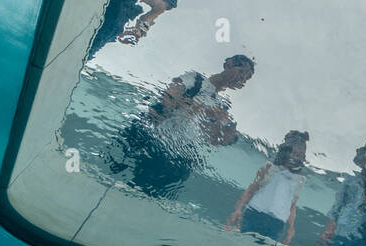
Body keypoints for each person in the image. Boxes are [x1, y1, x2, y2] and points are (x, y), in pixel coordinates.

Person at [107, 54, 255, 199]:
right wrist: (198, 108)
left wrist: (228, 133)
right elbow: (168, 98)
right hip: (152, 139)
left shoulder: (222, 105)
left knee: (150, 198)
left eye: (246, 78)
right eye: (241, 72)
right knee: (119, 183)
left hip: (176, 157)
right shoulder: (195, 79)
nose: (242, 79)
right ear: (228, 64)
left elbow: (212, 139)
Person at [226, 130, 309, 244]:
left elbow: (292, 205)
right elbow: (251, 190)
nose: (295, 158)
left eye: (299, 155)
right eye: (293, 153)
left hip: (277, 222)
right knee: (243, 241)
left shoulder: (299, 180)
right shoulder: (269, 168)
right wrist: (238, 209)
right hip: (255, 213)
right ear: (284, 152)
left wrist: (291, 228)